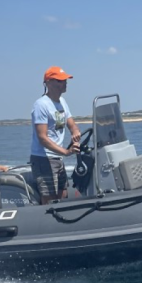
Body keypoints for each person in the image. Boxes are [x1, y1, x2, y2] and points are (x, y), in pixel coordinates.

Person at [30, 66, 82, 204]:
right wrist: (66, 152)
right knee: (49, 198)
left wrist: (75, 132)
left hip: (57, 158)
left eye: (64, 80)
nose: (64, 83)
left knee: (63, 193)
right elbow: (42, 138)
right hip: (44, 158)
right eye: (60, 81)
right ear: (48, 83)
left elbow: (71, 124)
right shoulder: (41, 105)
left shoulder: (62, 102)